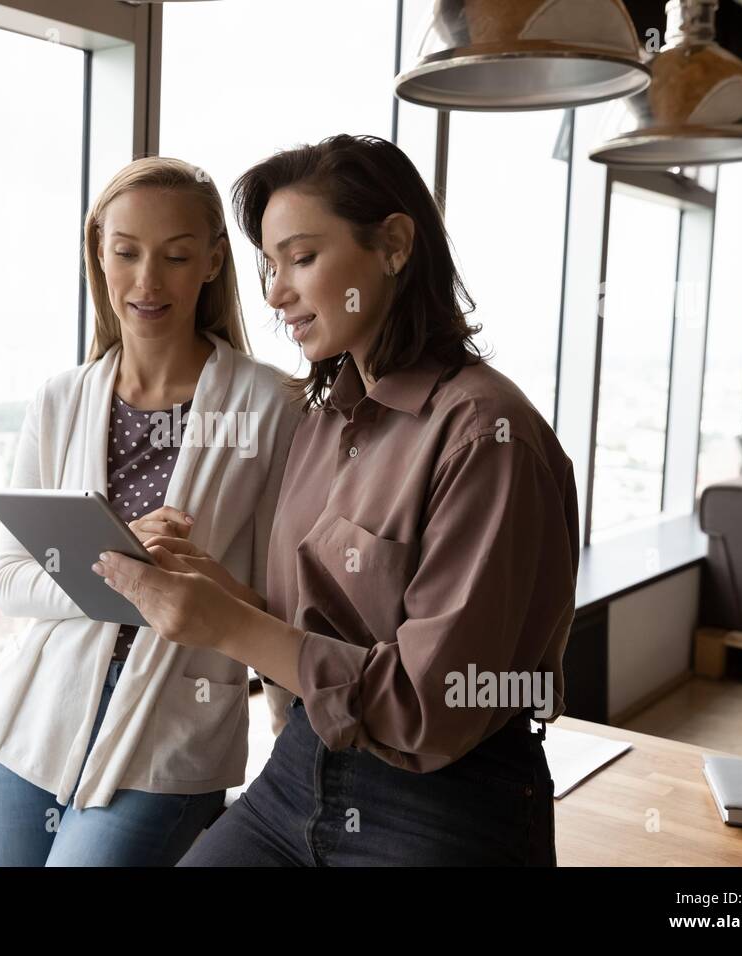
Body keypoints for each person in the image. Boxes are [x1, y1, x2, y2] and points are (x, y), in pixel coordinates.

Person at [95, 134, 580, 866]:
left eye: (302, 258)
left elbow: (430, 706)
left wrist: (226, 626)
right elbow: (315, 634)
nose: (275, 292)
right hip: (297, 775)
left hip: (438, 802)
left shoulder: (485, 435)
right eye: (269, 264)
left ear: (392, 245)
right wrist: (222, 595)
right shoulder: (323, 421)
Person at [0, 155, 301, 866]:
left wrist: (292, 752)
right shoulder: (60, 400)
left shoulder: (270, 405)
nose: (147, 282)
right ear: (98, 253)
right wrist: (122, 559)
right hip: (32, 723)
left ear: (212, 263)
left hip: (173, 736)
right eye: (126, 253)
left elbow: (282, 601)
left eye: (176, 257)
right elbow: (7, 581)